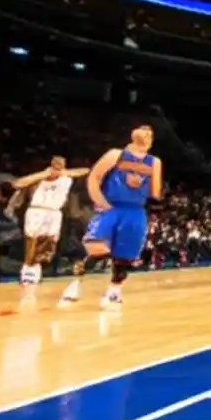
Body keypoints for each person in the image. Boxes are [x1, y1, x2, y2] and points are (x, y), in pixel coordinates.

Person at [67, 125, 162, 309]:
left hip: (135, 210)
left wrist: (140, 182)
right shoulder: (116, 154)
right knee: (97, 248)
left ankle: (114, 291)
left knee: (124, 256)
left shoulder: (154, 162)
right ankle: (76, 283)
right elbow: (94, 177)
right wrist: (100, 200)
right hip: (112, 206)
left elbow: (155, 193)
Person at [9, 156, 88, 294]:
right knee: (32, 240)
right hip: (37, 210)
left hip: (54, 212)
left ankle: (36, 269)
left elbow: (86, 170)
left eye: (61, 164)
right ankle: (27, 271)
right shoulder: (38, 179)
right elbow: (17, 183)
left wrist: (64, 172)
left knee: (49, 243)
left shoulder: (66, 178)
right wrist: (44, 174)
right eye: (55, 163)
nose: (58, 165)